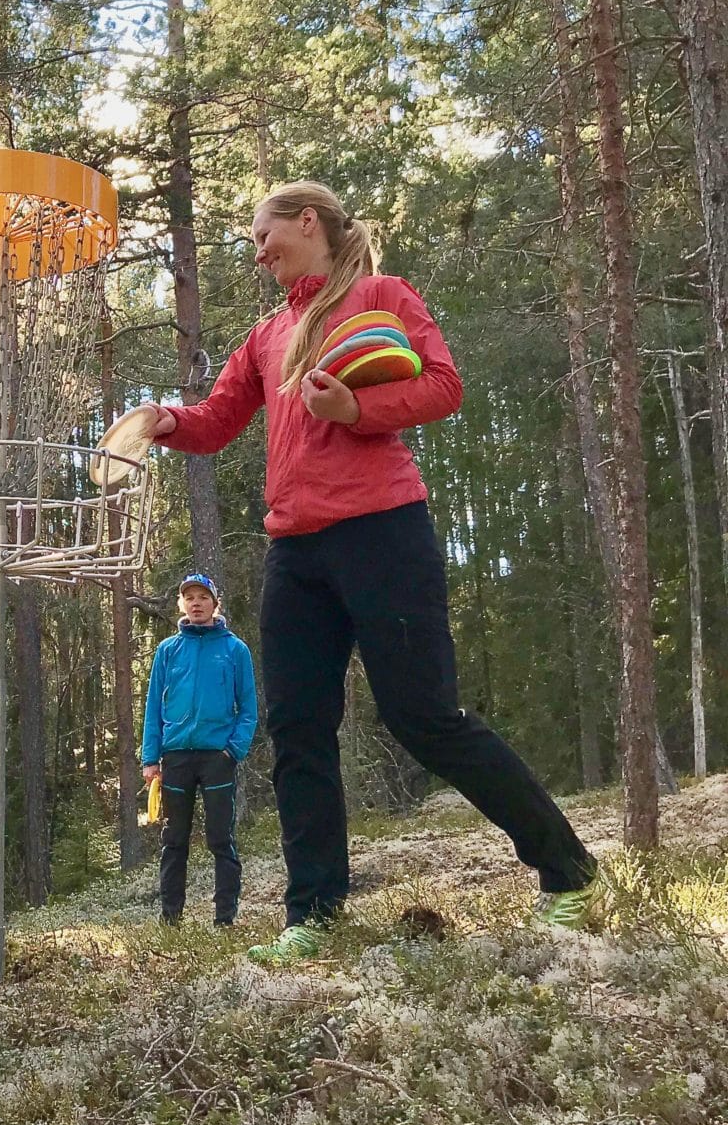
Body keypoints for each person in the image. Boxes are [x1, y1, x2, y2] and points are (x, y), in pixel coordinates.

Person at [145, 181, 598, 964]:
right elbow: (217, 422)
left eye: (263, 234)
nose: (256, 251)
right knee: (297, 731)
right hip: (296, 552)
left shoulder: (383, 295)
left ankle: (570, 872)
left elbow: (443, 385)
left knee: (425, 717)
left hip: (385, 533)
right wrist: (165, 422)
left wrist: (357, 414)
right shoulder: (266, 336)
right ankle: (314, 911)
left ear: (307, 222)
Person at [141, 571, 258, 927]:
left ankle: (225, 920)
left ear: (214, 604)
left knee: (221, 840)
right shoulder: (168, 650)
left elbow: (249, 710)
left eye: (203, 597)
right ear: (182, 604)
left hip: (217, 759)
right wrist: (150, 759)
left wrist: (232, 752)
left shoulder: (235, 650)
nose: (196, 604)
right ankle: (170, 920)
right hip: (175, 758)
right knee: (174, 841)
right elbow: (153, 709)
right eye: (190, 598)